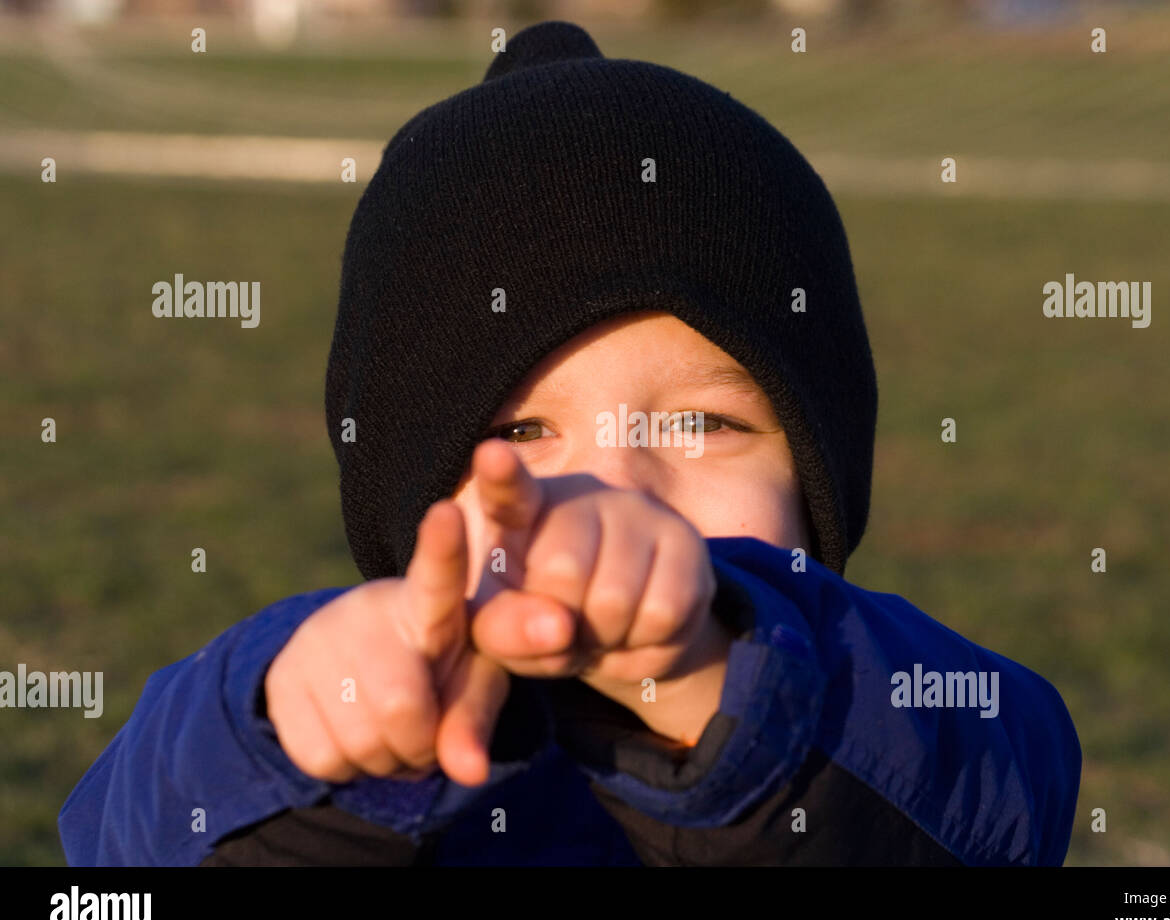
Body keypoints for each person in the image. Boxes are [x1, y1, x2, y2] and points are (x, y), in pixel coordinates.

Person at [58, 20, 1080, 866]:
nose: (611, 485)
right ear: (403, 507)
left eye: (702, 423)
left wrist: (715, 682)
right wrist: (294, 742)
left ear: (819, 484)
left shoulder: (894, 695)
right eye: (520, 432)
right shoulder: (317, 701)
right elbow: (122, 845)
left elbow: (998, 791)